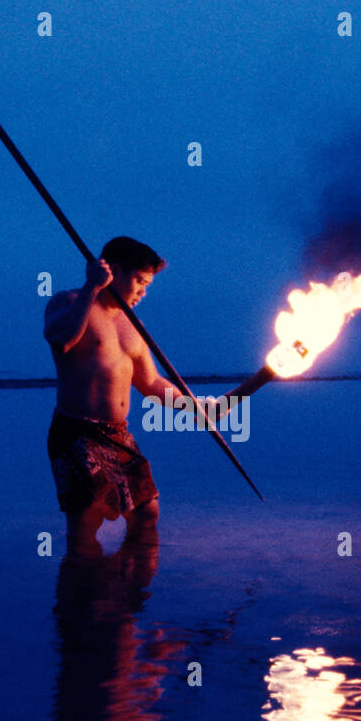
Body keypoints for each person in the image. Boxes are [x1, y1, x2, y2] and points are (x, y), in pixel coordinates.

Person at [43, 236, 217, 556]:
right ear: (113, 270)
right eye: (138, 281)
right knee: (87, 520)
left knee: (147, 510)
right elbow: (62, 340)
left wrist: (195, 407)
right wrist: (91, 288)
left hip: (119, 435)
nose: (143, 292)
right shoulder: (68, 302)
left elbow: (150, 383)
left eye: (147, 284)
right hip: (76, 431)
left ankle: (133, 593)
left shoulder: (133, 326)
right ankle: (80, 598)